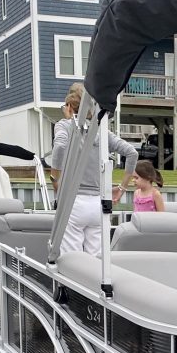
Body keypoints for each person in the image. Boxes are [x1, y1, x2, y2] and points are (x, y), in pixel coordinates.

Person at [49, 84, 137, 255]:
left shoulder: (64, 126)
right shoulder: (101, 131)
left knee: (72, 259)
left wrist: (55, 179)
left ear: (68, 107)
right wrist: (122, 188)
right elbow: (131, 153)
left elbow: (59, 147)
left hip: (73, 202)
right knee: (95, 260)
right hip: (97, 203)